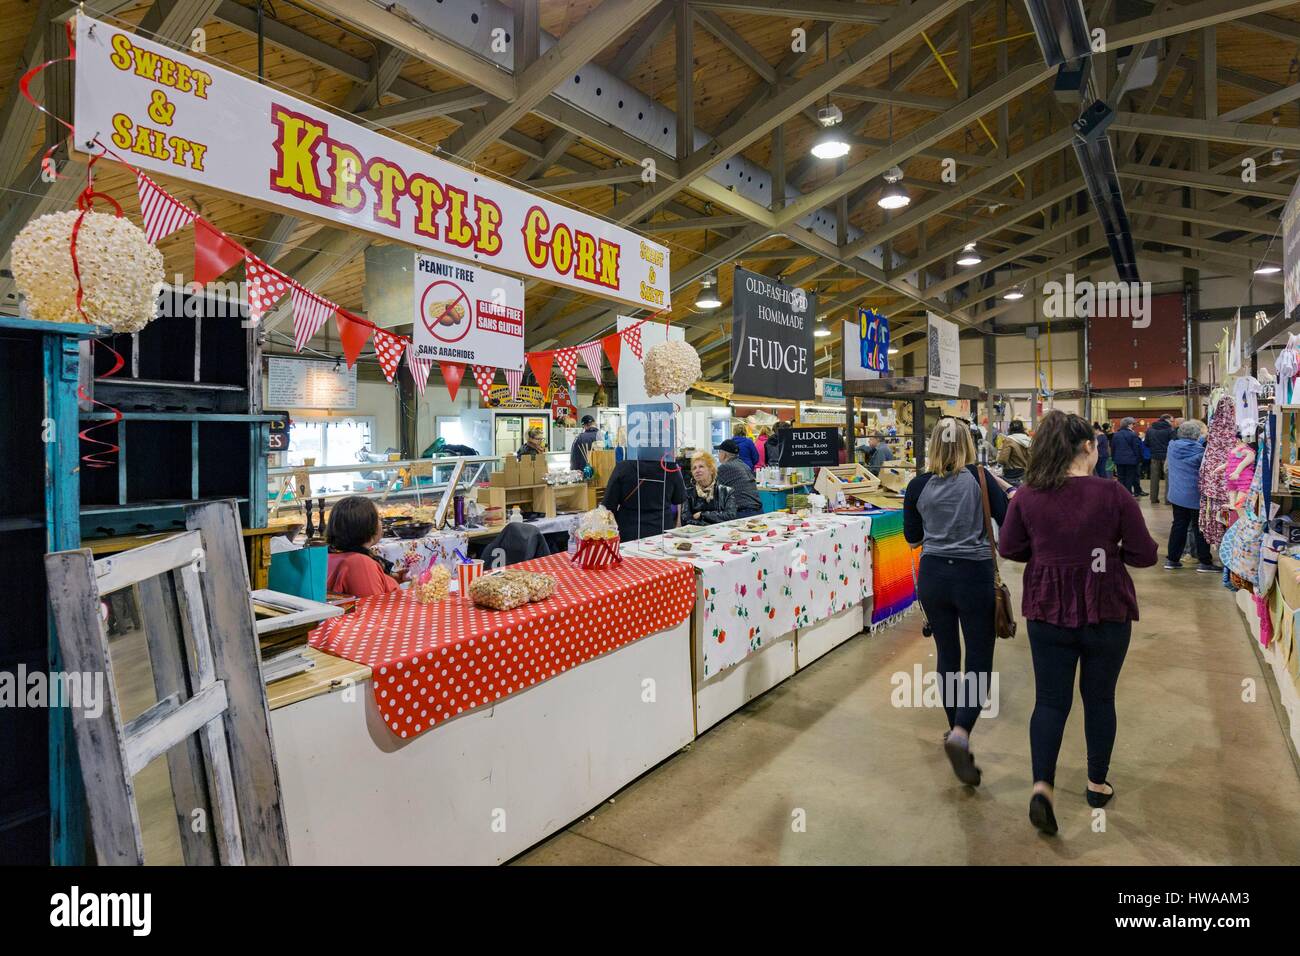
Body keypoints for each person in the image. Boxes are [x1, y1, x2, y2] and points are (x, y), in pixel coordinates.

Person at [997, 411, 1158, 836]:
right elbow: (1145, 554)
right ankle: (1095, 783)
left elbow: (1009, 547)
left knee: (1050, 701)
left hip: (1047, 610)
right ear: (1088, 446)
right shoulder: (1113, 493)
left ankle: (1042, 788)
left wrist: (1051, 558)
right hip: (1106, 609)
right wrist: (1106, 557)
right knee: (1100, 699)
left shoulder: (1028, 496)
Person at [903, 418, 1009, 787]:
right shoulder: (981, 479)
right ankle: (962, 732)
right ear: (968, 443)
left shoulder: (917, 485)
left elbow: (913, 538)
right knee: (979, 658)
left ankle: (953, 730)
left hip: (934, 577)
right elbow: (1008, 525)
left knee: (948, 654)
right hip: (973, 575)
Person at [1165, 420, 1221, 572]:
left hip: (1176, 495)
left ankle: (1172, 559)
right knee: (1200, 528)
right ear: (1197, 435)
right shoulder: (1201, 453)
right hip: (1195, 496)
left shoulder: (1172, 447)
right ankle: (1205, 562)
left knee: (1178, 526)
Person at [325, 495, 406, 596]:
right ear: (368, 526)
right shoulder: (359, 563)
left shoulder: (332, 554)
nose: (381, 524)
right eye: (378, 519)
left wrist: (391, 578)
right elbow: (374, 603)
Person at [601, 457, 688, 541]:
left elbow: (608, 504)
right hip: (662, 531)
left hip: (629, 532)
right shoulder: (670, 467)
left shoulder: (623, 466)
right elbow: (679, 498)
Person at [686, 451, 737, 524]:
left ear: (711, 470)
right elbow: (686, 519)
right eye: (694, 468)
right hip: (698, 533)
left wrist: (702, 515)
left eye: (701, 466)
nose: (697, 471)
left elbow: (730, 516)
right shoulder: (688, 493)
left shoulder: (727, 491)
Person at [715, 439, 762, 517]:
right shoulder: (744, 465)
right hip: (758, 511)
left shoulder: (724, 468)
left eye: (719, 452)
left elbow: (713, 490)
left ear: (724, 455)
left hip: (742, 513)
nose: (718, 454)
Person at [1110, 417, 1145, 496]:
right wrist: (1139, 459)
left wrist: (1113, 457)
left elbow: (1113, 447)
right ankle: (1127, 493)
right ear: (1129, 425)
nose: (1133, 426)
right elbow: (1136, 448)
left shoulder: (1116, 435)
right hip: (1131, 460)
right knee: (1129, 477)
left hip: (1119, 459)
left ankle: (1120, 493)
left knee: (1121, 477)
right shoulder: (1132, 434)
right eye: (1133, 424)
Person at [1143, 413, 1174, 504]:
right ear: (1167, 420)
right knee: (1168, 478)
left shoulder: (1150, 430)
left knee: (1154, 478)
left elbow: (1146, 443)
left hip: (1154, 456)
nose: (1172, 423)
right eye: (1171, 421)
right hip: (1167, 457)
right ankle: (1168, 500)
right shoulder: (1170, 430)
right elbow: (1173, 442)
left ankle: (1153, 498)